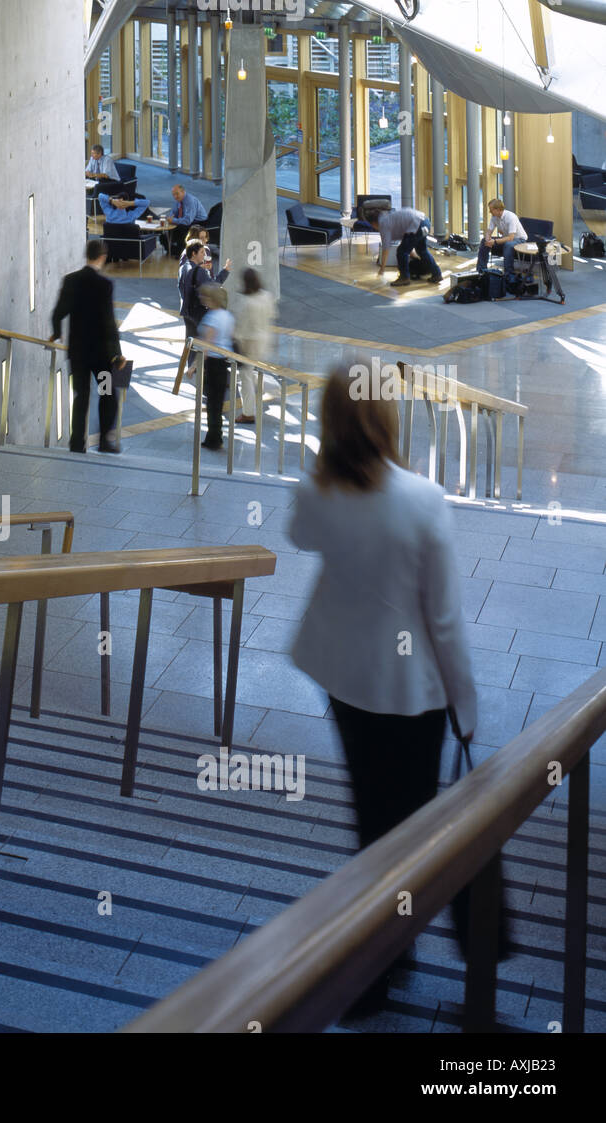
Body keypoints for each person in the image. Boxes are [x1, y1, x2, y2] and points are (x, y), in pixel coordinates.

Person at [287, 362, 484, 1016]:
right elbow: (445, 620)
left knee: (371, 814)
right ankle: (391, 950)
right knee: (415, 825)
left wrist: (327, 461)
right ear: (387, 415)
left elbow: (298, 534)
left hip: (346, 681)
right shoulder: (423, 500)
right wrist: (467, 704)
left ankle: (376, 963)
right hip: (413, 693)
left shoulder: (318, 494)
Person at [50, 240, 128, 454]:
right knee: (107, 394)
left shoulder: (71, 280)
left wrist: (57, 332)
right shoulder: (105, 285)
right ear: (102, 257)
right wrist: (117, 354)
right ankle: (104, 441)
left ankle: (77, 444)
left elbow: (58, 312)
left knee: (81, 396)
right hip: (101, 356)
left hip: (78, 353)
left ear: (86, 255)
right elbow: (108, 322)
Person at [178, 239, 232, 400]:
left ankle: (192, 369)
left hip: (187, 311)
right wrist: (225, 271)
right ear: (194, 253)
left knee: (192, 342)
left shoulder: (184, 267)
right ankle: (201, 376)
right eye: (202, 252)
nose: (205, 255)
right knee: (203, 344)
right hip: (198, 313)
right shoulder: (199, 272)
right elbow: (213, 288)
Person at [232, 268, 276, 426]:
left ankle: (248, 413)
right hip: (264, 339)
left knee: (245, 376)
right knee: (256, 371)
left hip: (248, 342)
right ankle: (260, 393)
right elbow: (272, 314)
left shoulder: (245, 301)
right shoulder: (266, 296)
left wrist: (234, 338)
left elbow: (241, 327)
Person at [196, 284, 233, 451]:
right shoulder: (227, 316)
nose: (203, 300)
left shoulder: (212, 318)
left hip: (213, 363)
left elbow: (206, 345)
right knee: (218, 402)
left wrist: (195, 366)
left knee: (212, 403)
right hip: (224, 362)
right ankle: (216, 435)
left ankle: (213, 437)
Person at [369, 205, 443, 287]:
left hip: (416, 224)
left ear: (374, 223)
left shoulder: (383, 224)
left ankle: (404, 278)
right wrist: (414, 256)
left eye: (373, 226)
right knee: (422, 250)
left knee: (401, 252)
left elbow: (386, 249)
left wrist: (382, 269)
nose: (374, 228)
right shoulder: (388, 217)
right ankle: (437, 274)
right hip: (425, 221)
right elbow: (408, 242)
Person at [476, 198, 527, 276]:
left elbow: (511, 238)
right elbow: (489, 231)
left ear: (498, 209)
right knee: (484, 241)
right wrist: (487, 239)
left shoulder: (511, 217)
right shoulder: (494, 217)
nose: (490, 212)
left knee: (508, 245)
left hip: (520, 240)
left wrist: (495, 242)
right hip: (507, 239)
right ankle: (481, 270)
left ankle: (508, 274)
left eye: (491, 210)